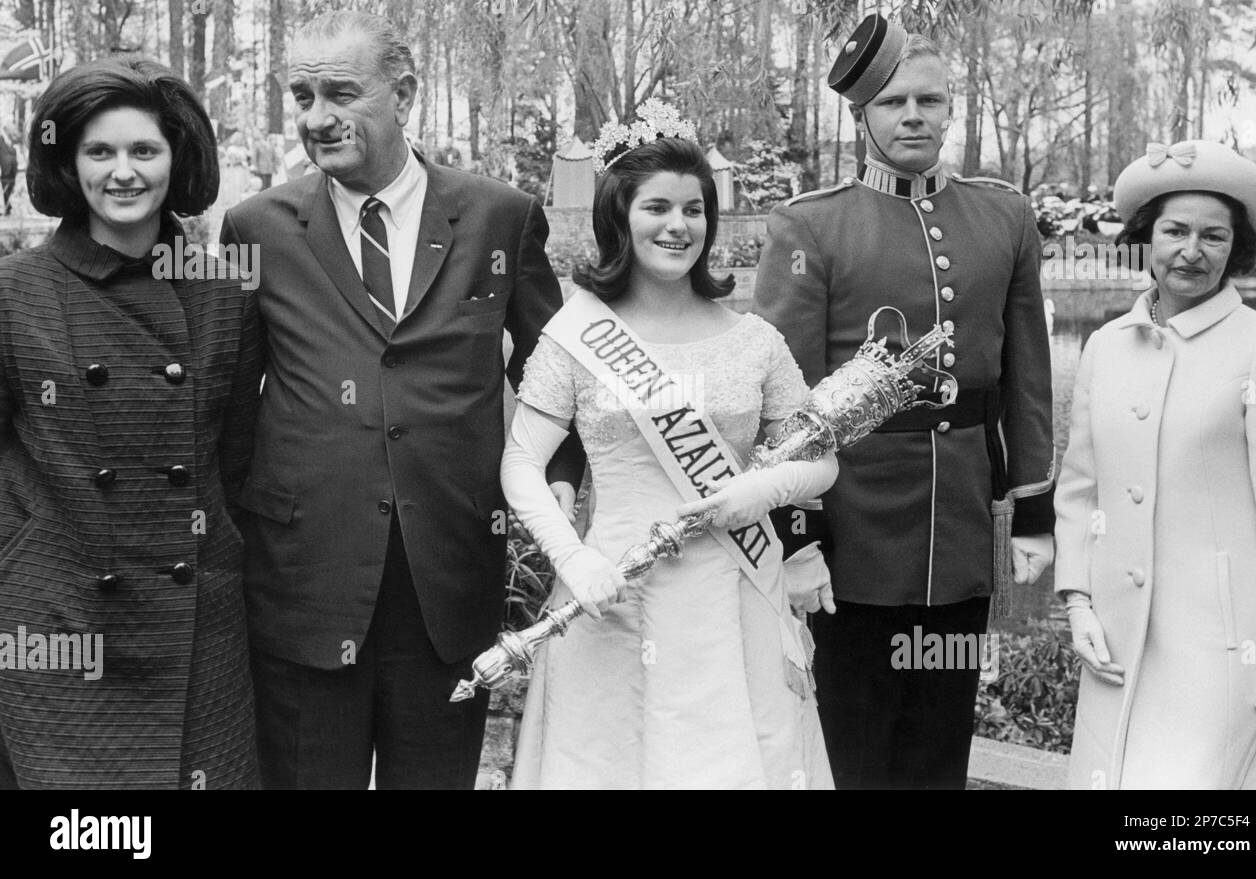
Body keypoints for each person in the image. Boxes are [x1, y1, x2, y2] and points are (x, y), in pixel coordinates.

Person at [220, 10, 581, 790]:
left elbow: (557, 377)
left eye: (341, 92)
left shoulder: (500, 216)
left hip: (446, 578)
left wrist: (561, 493)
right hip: (303, 581)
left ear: (405, 93)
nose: (318, 117)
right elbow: (231, 406)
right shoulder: (258, 228)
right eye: (303, 95)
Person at [753, 14, 1056, 790]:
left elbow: (1026, 373)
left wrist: (1032, 507)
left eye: (929, 100)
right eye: (893, 103)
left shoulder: (1004, 215)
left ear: (952, 108)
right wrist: (797, 537)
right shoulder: (812, 224)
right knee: (852, 746)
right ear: (862, 116)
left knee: (939, 739)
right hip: (851, 538)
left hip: (957, 536)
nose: (913, 116)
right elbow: (781, 401)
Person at [501, 113, 838, 789]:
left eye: (694, 209)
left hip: (734, 589)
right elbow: (521, 464)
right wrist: (572, 556)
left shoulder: (754, 341)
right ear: (620, 217)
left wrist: (759, 490)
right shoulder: (576, 335)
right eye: (656, 206)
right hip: (614, 589)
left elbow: (822, 460)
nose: (677, 225)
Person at [0, 56, 260, 788]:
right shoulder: (16, 291)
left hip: (195, 616)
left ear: (177, 158)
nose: (123, 172)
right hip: (60, 619)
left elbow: (233, 456)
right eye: (99, 151)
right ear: (67, 162)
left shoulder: (223, 290)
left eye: (144, 150)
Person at [1056, 140, 1256, 789]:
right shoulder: (1105, 347)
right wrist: (1078, 599)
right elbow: (1080, 489)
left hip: (1222, 644)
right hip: (1117, 633)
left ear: (1234, 249)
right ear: (1146, 238)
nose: (1193, 250)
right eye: (1176, 230)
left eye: (1214, 235)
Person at [0, 125, 17, 215]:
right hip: (5, 168)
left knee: (9, 187)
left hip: (12, 167)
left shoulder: (10, 139)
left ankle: (8, 207)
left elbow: (13, 152)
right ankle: (7, 207)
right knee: (5, 187)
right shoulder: (1, 139)